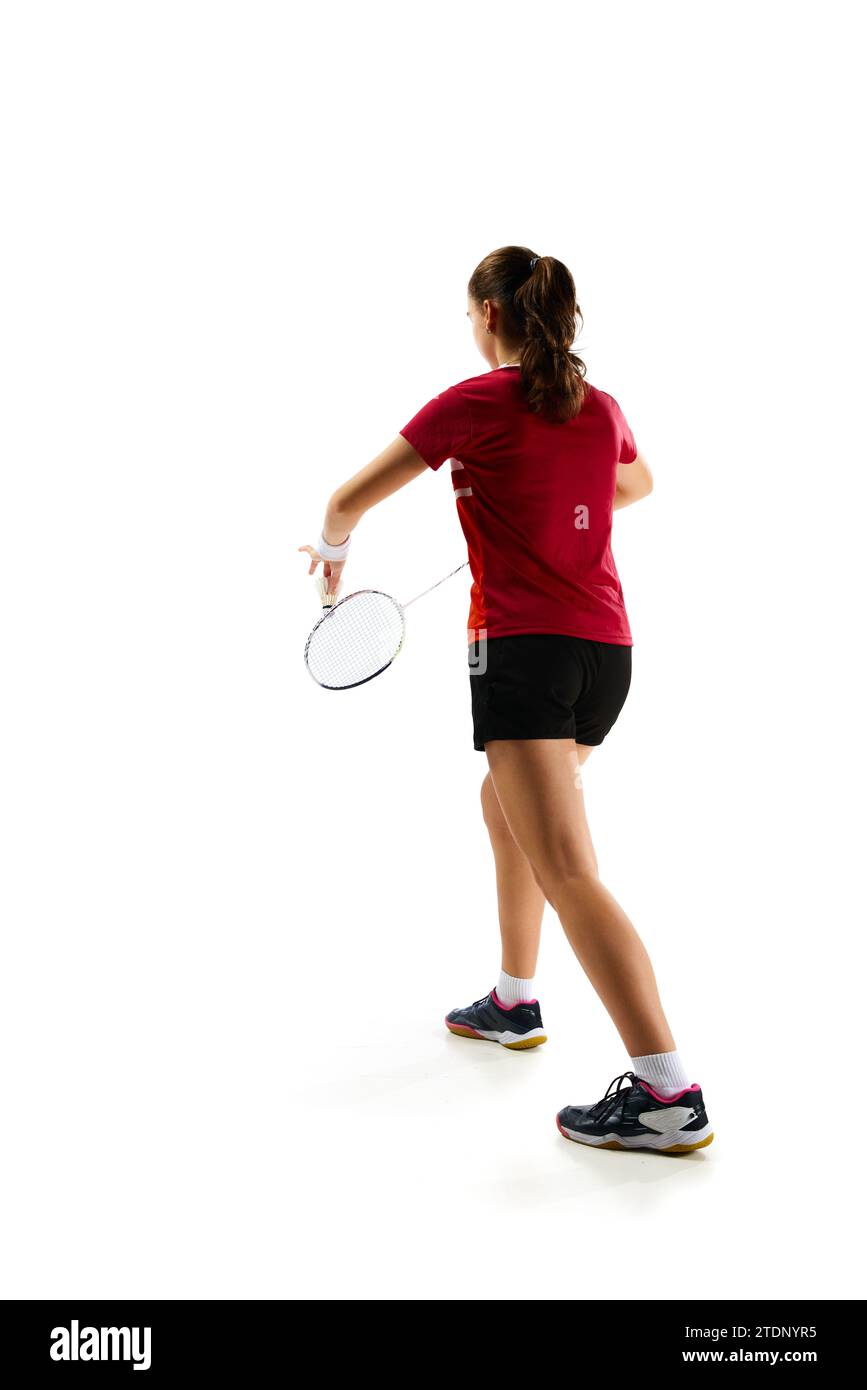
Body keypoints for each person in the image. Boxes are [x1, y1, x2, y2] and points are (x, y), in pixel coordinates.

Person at [299, 246, 713, 1155]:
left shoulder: (475, 401)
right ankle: (513, 999)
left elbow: (347, 499)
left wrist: (330, 553)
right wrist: (555, 494)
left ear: (488, 312)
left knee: (568, 868)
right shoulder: (597, 407)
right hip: (605, 653)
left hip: (524, 653)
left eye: (469, 314)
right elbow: (634, 484)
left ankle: (666, 1091)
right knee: (506, 809)